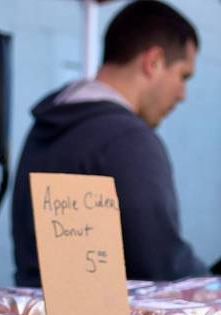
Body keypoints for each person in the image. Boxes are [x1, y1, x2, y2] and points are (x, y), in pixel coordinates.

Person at [11, 0, 208, 286]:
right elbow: (162, 265)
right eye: (183, 76)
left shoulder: (48, 124)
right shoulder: (128, 139)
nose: (183, 94)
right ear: (153, 62)